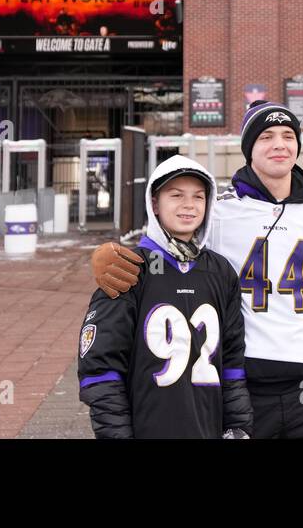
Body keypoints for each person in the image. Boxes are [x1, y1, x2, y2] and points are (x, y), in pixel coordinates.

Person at [91, 101, 303, 438]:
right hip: (243, 383)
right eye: (266, 136)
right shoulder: (220, 213)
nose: (279, 144)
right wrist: (109, 255)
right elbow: (174, 244)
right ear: (249, 148)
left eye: (287, 135)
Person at [77, 154, 253, 439]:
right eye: (176, 195)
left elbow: (231, 361)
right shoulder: (127, 269)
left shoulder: (220, 271)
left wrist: (238, 425)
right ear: (155, 204)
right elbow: (100, 369)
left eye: (198, 196)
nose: (188, 205)